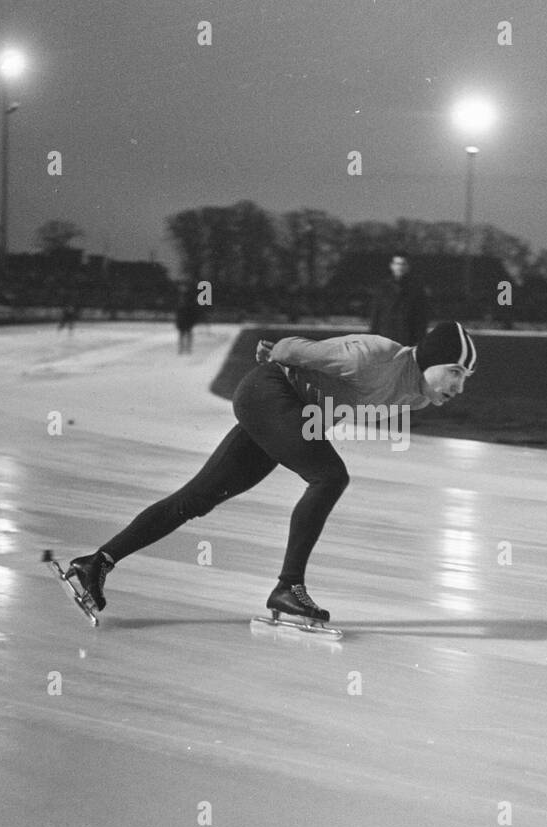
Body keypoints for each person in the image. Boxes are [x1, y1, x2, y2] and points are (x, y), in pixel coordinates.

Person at [65, 321, 479, 625]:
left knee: (198, 497)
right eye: (456, 372)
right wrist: (278, 353)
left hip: (289, 412)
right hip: (268, 393)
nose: (459, 388)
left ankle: (96, 563)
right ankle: (288, 587)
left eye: (466, 378)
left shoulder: (419, 398)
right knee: (330, 477)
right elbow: (293, 348)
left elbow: (339, 401)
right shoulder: (374, 355)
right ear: (431, 358)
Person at [368, 254, 429, 345]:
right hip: (385, 335)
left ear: (408, 267)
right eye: (397, 263)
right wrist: (372, 336)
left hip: (408, 337)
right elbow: (376, 314)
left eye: (403, 264)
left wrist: (420, 338)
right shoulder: (382, 288)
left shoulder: (417, 289)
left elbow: (422, 316)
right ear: (391, 266)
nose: (400, 267)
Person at [175, 282, 200, 354]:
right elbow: (177, 309)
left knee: (188, 333)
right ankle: (181, 348)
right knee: (182, 333)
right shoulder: (179, 297)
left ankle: (188, 348)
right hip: (182, 317)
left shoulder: (189, 297)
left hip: (187, 316)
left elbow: (192, 308)